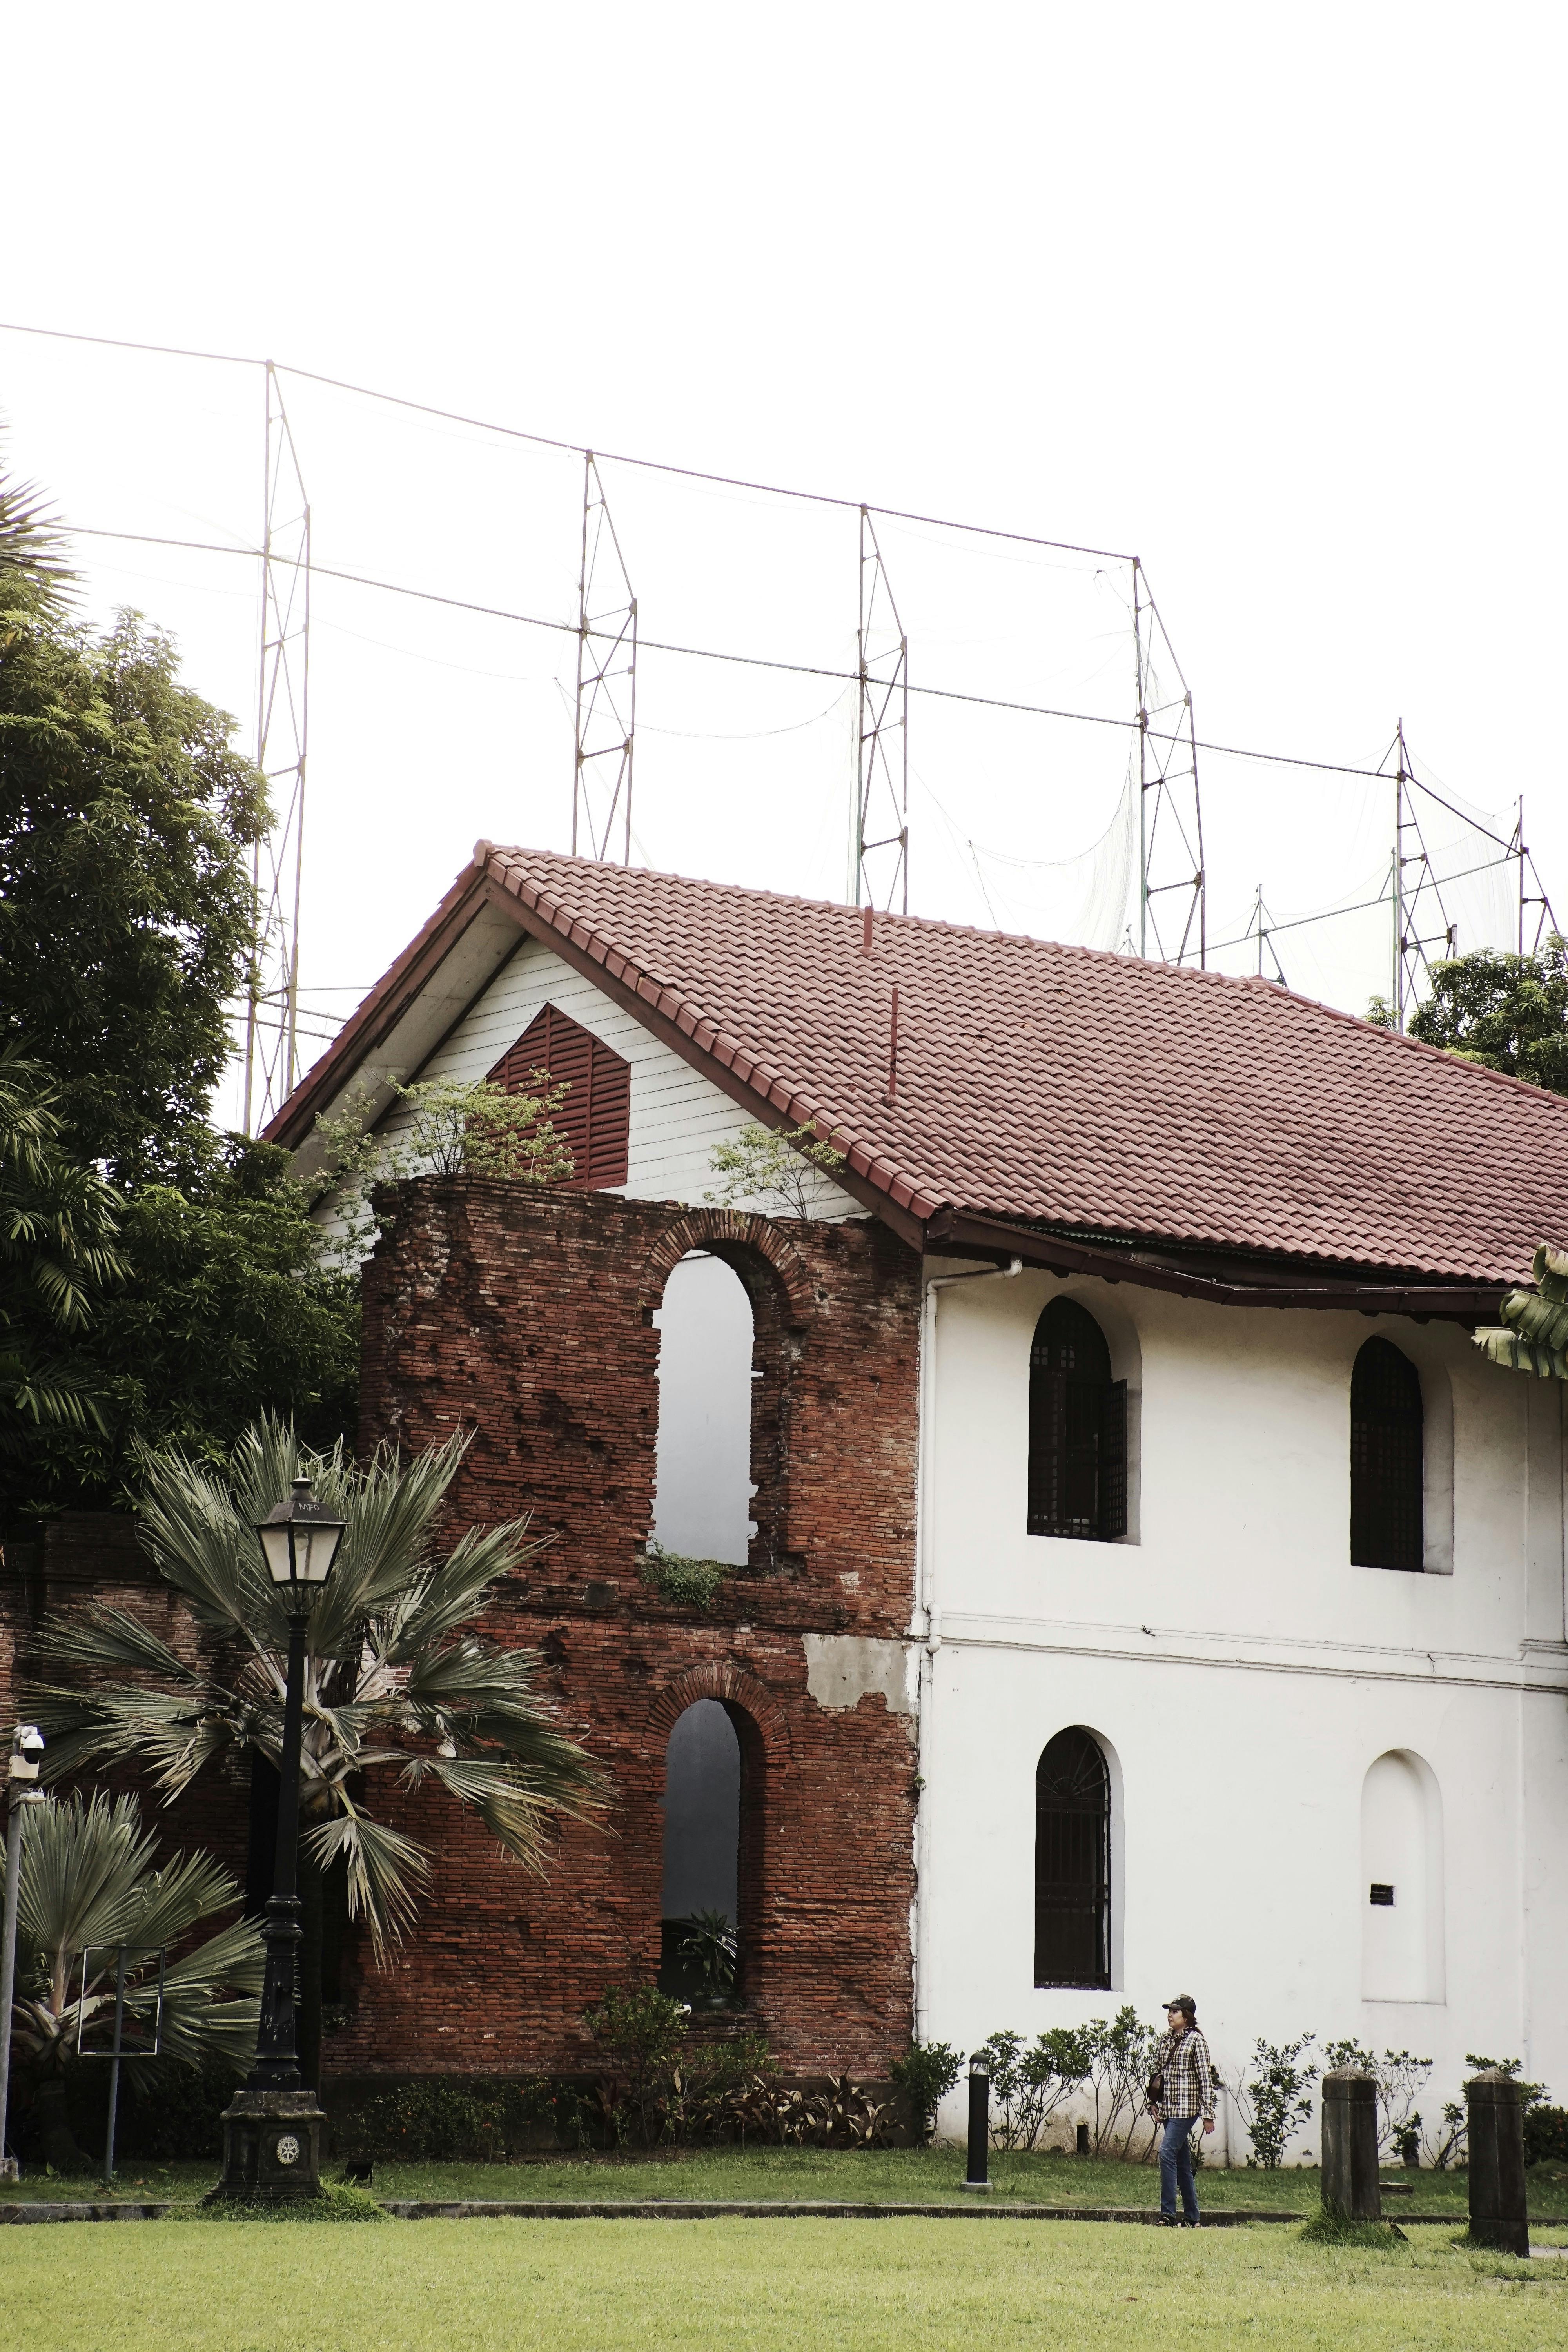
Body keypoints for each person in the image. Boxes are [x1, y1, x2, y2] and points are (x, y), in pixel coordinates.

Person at [1147, 1995, 1216, 2226]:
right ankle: (1193, 2218)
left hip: (1187, 2108)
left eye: (1175, 2012)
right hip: (1168, 2106)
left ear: (1186, 2016)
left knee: (1166, 2153)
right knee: (1182, 2162)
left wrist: (1208, 2114)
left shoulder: (1197, 2041)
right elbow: (1157, 2073)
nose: (1170, 2015)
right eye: (1169, 2011)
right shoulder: (1165, 2040)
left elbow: (1206, 2079)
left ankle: (1167, 2213)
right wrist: (1153, 2103)